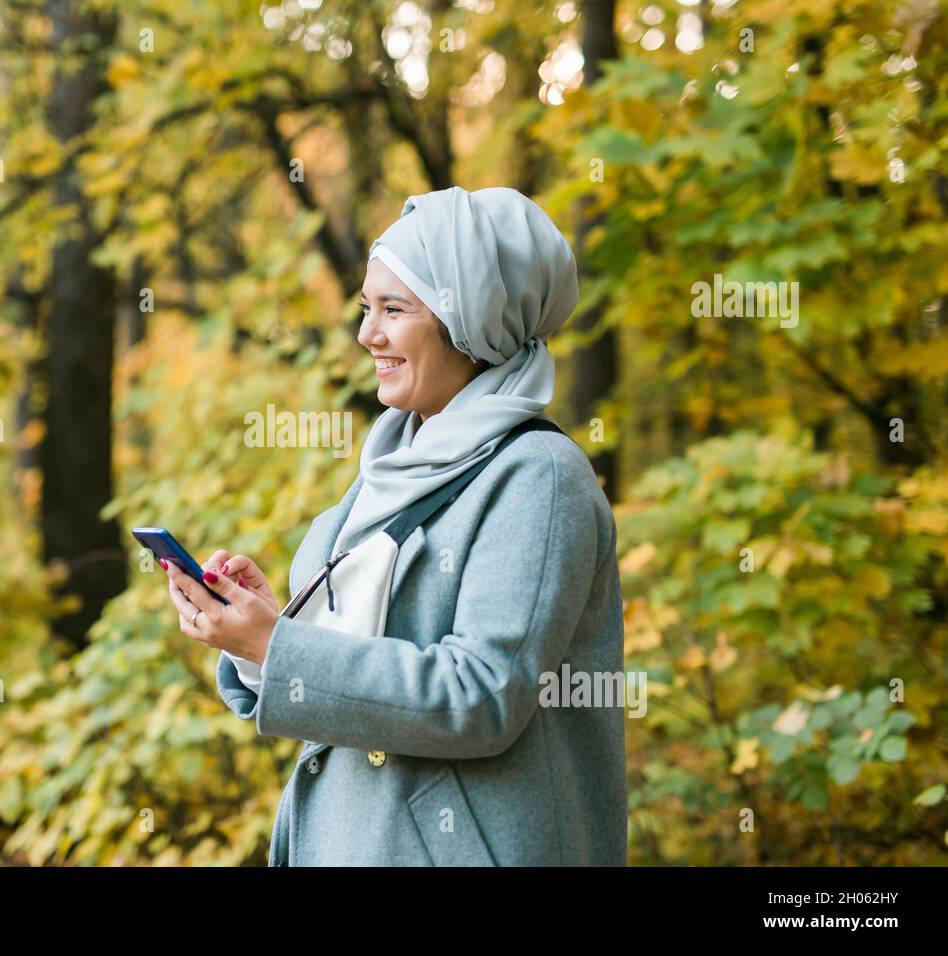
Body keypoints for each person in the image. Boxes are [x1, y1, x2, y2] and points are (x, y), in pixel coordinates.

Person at [159, 185, 627, 866]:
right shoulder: (388, 468)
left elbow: (481, 697)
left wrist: (278, 646)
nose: (366, 334)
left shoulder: (539, 476)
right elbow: (349, 674)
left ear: (469, 321)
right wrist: (262, 632)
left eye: (394, 309)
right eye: (365, 308)